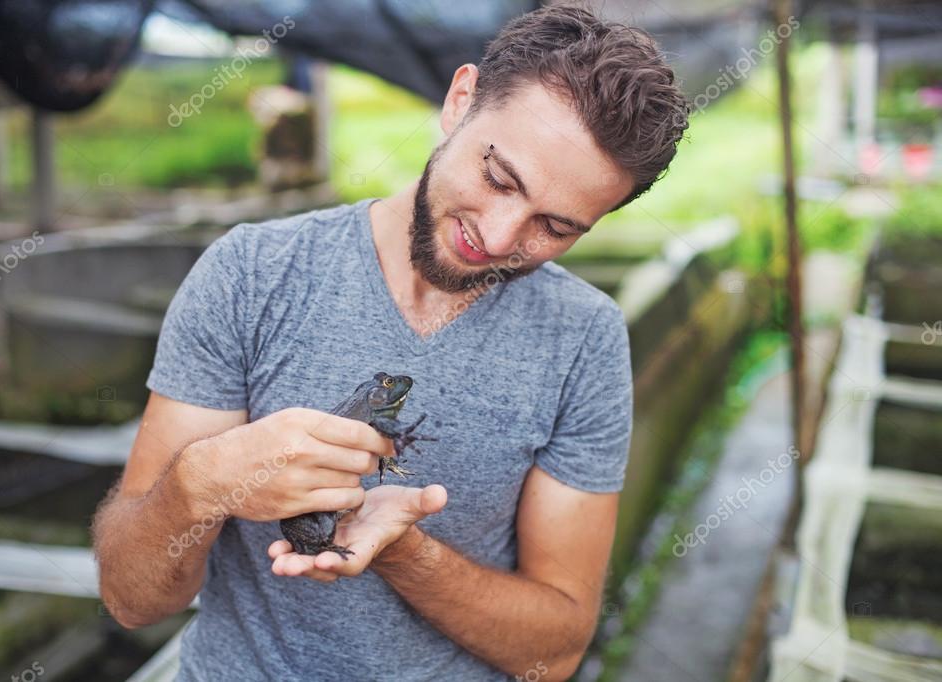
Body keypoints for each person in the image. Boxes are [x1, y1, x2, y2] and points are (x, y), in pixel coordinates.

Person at [92, 4, 688, 680]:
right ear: (460, 100)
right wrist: (201, 485)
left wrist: (407, 552)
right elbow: (131, 598)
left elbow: (553, 651)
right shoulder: (253, 273)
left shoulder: (583, 339)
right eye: (497, 178)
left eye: (553, 226)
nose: (496, 238)